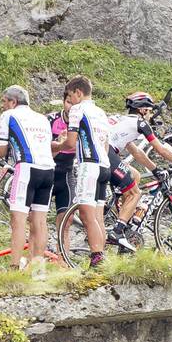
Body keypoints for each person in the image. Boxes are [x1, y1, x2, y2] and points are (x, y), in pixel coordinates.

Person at [53, 75, 135, 267]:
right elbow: (105, 143)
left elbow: (71, 143)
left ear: (78, 92)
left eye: (71, 95)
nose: (70, 100)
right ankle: (102, 257)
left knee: (86, 214)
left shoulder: (77, 109)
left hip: (88, 166)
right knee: (97, 216)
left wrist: (56, 146)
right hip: (104, 165)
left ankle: (97, 256)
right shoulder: (100, 111)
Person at [104, 91, 172, 235]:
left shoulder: (122, 120)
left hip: (101, 153)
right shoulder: (140, 122)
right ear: (142, 110)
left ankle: (123, 214)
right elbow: (161, 150)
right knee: (135, 193)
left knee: (135, 175)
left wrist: (155, 169)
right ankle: (118, 231)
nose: (150, 116)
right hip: (107, 154)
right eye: (149, 112)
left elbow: (136, 152)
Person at [0, 85, 55, 269]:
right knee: (39, 222)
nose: (2, 106)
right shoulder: (42, 118)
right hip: (48, 169)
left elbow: (1, 151)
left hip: (26, 168)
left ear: (13, 102)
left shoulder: (9, 115)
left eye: (4, 101)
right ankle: (38, 271)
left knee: (18, 220)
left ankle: (14, 267)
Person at [48, 95, 77, 216]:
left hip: (66, 173)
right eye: (68, 102)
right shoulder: (50, 119)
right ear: (63, 102)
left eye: (74, 104)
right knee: (36, 220)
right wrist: (60, 144)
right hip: (47, 172)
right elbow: (39, 150)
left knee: (67, 219)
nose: (71, 107)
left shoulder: (83, 123)